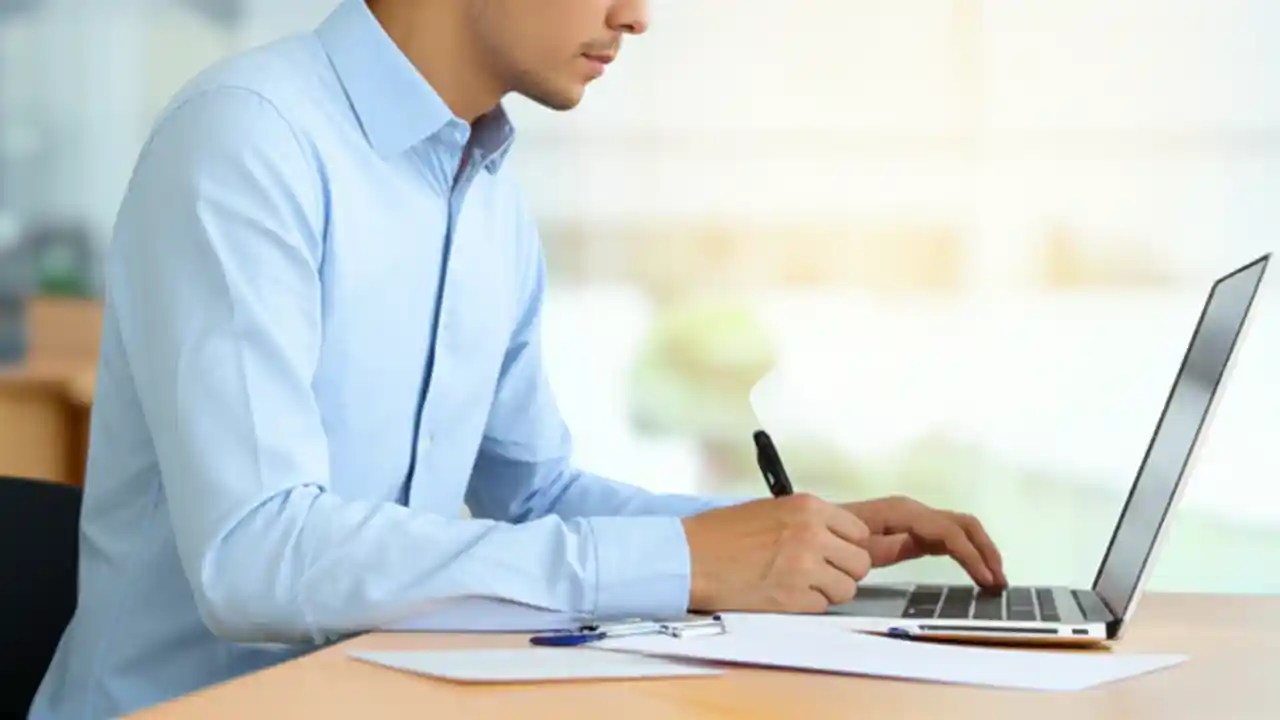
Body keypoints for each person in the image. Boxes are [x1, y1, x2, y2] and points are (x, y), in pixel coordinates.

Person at [31, 1, 1007, 717]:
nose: (635, 16)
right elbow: (254, 556)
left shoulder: (483, 190)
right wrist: (680, 562)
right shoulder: (250, 136)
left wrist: (784, 537)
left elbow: (531, 498)